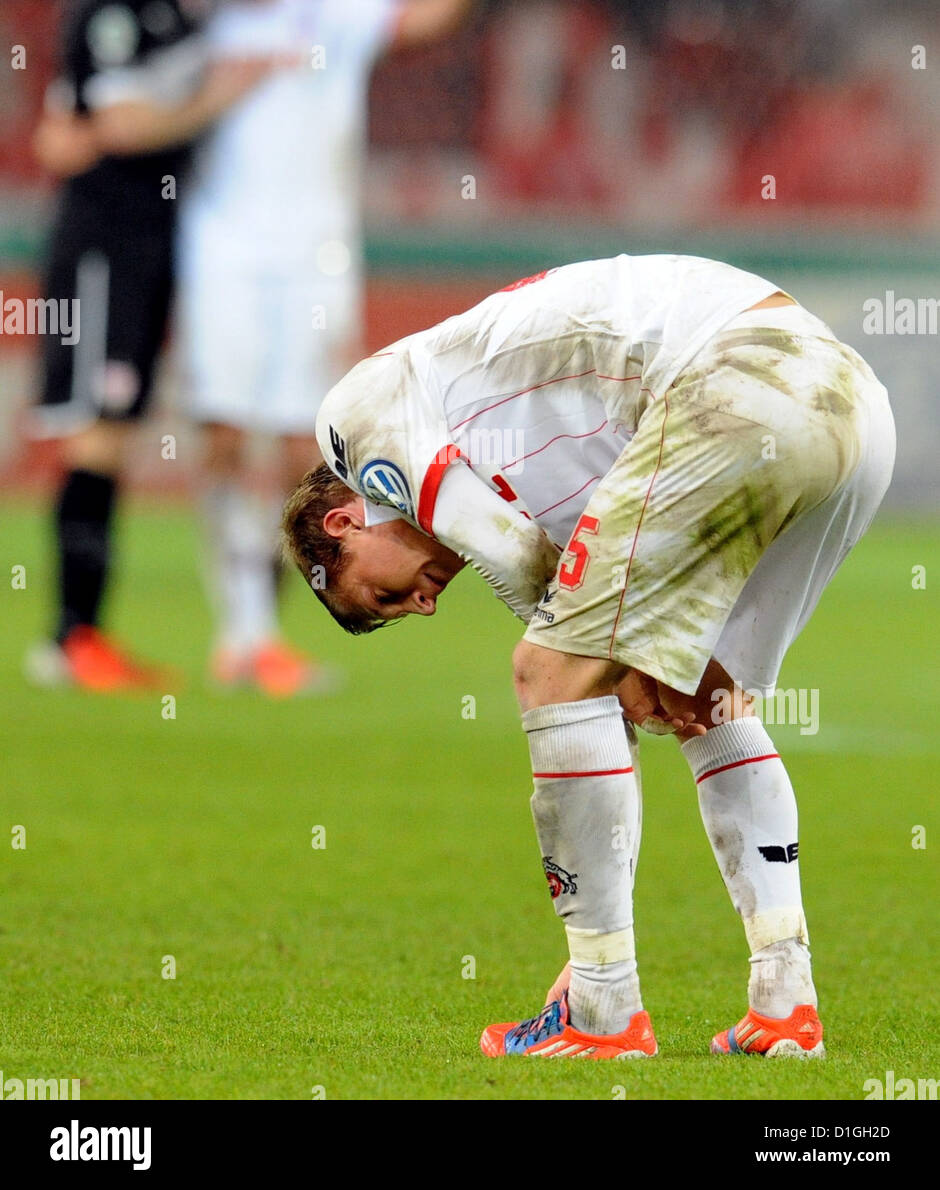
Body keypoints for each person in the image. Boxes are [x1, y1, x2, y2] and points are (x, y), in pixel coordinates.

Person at [281, 252, 895, 1059]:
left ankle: (602, 1008)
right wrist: (624, 667)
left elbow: (510, 556)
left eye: (385, 595)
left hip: (735, 382)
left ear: (343, 525)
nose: (425, 604)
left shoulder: (352, 419)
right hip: (849, 407)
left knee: (548, 670)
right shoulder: (542, 463)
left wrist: (600, 661)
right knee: (706, 703)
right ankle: (785, 1001)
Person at [176, 0, 508, 695]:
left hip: (316, 252)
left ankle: (266, 637)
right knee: (220, 434)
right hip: (219, 246)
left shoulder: (338, 3)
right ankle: (239, 631)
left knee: (301, 446)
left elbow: (424, 18)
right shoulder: (198, 6)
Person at [27, 0, 274, 692]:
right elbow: (121, 123)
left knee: (118, 430)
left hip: (154, 242)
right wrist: (221, 93)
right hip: (103, 242)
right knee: (97, 429)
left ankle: (85, 638)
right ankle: (70, 638)